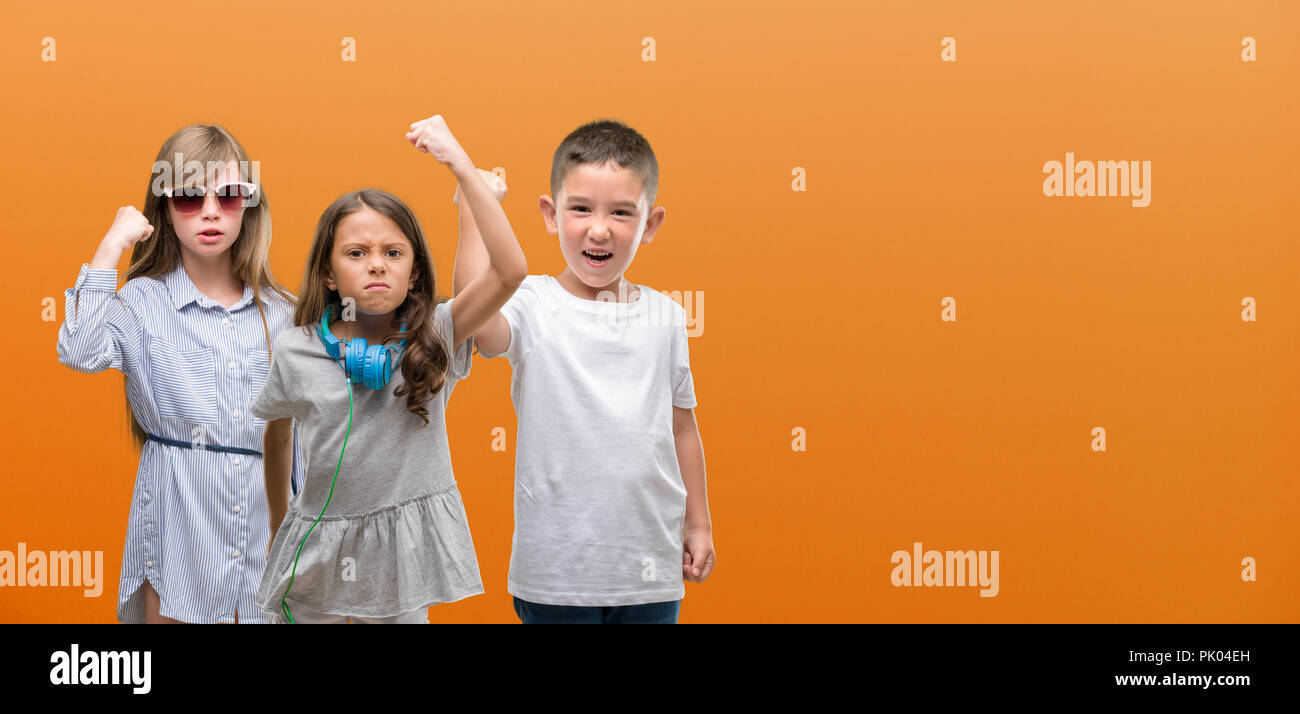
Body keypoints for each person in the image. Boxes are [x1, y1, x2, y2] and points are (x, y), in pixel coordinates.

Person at [251, 114, 526, 623]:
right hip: (318, 543)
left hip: (402, 554)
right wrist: (277, 521)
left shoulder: (439, 332)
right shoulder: (297, 349)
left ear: (413, 270)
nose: (377, 263)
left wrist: (461, 166)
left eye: (393, 252)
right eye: (357, 253)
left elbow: (510, 271)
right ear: (329, 275)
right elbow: (277, 433)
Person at [456, 119, 715, 624]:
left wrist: (699, 524)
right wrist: (471, 208)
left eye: (622, 213)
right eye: (581, 209)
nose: (599, 229)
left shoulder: (666, 315)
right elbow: (476, 324)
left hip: (648, 568)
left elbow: (682, 428)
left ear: (651, 224)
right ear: (551, 215)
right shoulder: (531, 301)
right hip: (555, 572)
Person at [56, 124, 301, 623]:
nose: (210, 210)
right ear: (163, 208)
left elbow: (313, 437)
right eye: (188, 195)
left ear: (249, 204)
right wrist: (111, 246)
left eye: (229, 195)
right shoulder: (144, 302)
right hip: (177, 530)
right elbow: (79, 349)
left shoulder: (284, 313)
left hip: (267, 527)